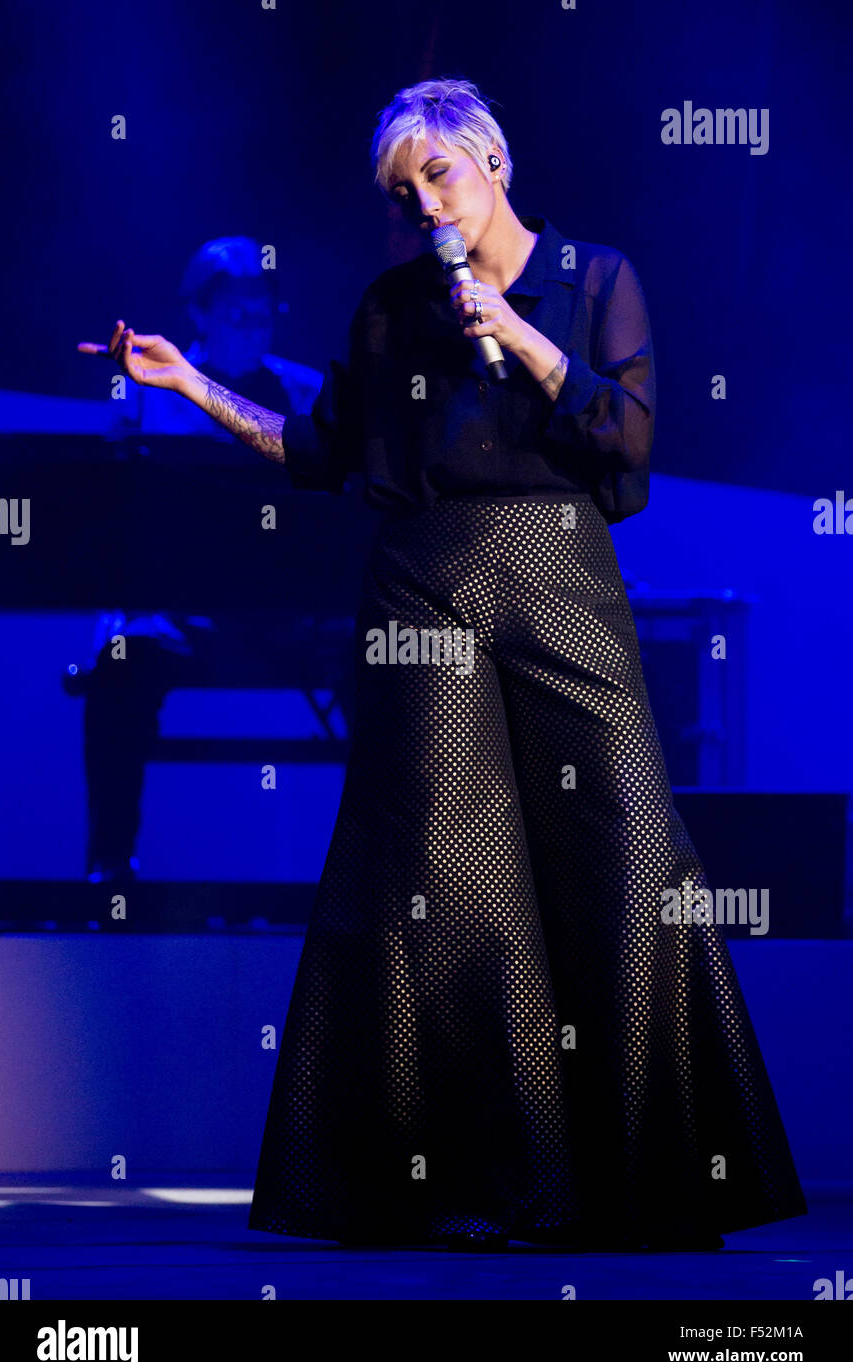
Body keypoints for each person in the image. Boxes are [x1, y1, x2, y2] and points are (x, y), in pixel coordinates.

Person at [80, 77, 807, 1252]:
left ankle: (642, 1177)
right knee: (447, 876)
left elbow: (626, 448)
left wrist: (512, 330)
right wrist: (192, 386)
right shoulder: (388, 309)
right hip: (422, 586)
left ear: (493, 163)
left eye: (439, 176)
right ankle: (489, 1183)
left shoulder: (595, 280)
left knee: (625, 849)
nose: (423, 205)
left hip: (561, 577)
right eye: (400, 191)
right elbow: (317, 451)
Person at [71, 237, 323, 882]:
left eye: (263, 313)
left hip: (290, 621)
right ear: (201, 314)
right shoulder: (147, 391)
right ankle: (110, 865)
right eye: (237, 313)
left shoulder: (305, 391)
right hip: (183, 623)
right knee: (117, 665)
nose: (252, 326)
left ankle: (395, 874)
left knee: (392, 663)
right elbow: (109, 516)